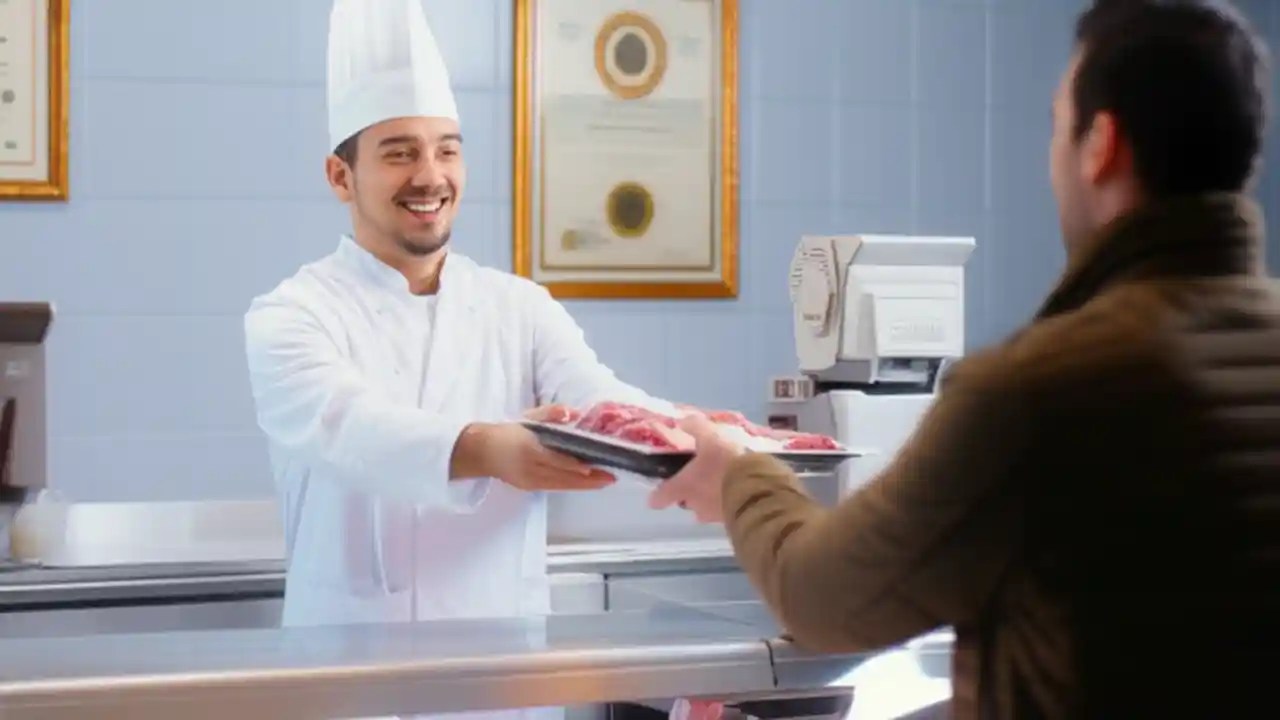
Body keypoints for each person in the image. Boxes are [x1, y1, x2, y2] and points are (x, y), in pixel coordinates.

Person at [651, 1, 1280, 718]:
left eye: (1057, 125)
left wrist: (739, 475)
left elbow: (822, 601)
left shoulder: (1033, 392)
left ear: (1101, 144)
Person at [242, 1, 672, 716]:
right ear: (340, 177)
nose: (431, 175)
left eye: (447, 148)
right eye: (399, 151)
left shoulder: (519, 307)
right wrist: (492, 447)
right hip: (348, 688)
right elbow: (350, 426)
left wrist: (705, 436)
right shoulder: (291, 314)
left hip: (497, 692)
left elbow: (602, 401)